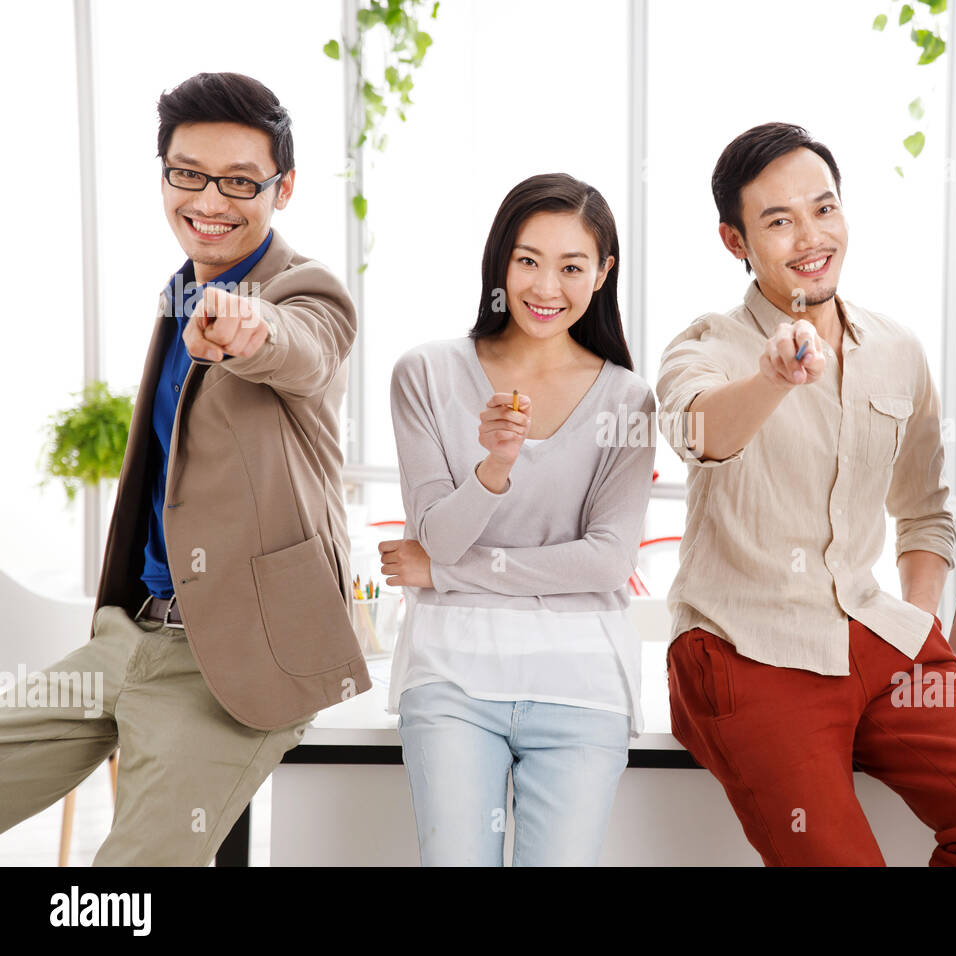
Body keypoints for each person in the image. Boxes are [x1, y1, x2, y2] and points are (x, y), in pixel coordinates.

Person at [655, 122, 956, 866]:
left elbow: (925, 512)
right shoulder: (708, 344)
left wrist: (917, 616)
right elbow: (696, 431)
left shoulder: (898, 350)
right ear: (734, 241)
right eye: (778, 221)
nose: (810, 236)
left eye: (824, 208)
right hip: (744, 645)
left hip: (880, 636)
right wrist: (771, 379)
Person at [0, 72, 368, 865]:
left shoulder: (308, 291)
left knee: (126, 885)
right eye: (188, 174)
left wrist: (247, 325)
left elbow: (300, 346)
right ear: (163, 172)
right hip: (130, 633)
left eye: (240, 182)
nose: (209, 199)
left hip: (232, 658)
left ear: (284, 187)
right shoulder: (176, 292)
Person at [378, 173, 656, 867]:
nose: (546, 286)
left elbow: (606, 562)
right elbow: (438, 531)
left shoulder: (629, 398)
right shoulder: (426, 374)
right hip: (451, 679)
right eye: (528, 260)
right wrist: (494, 465)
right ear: (500, 260)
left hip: (583, 683)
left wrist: (446, 574)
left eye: (571, 266)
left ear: (603, 273)